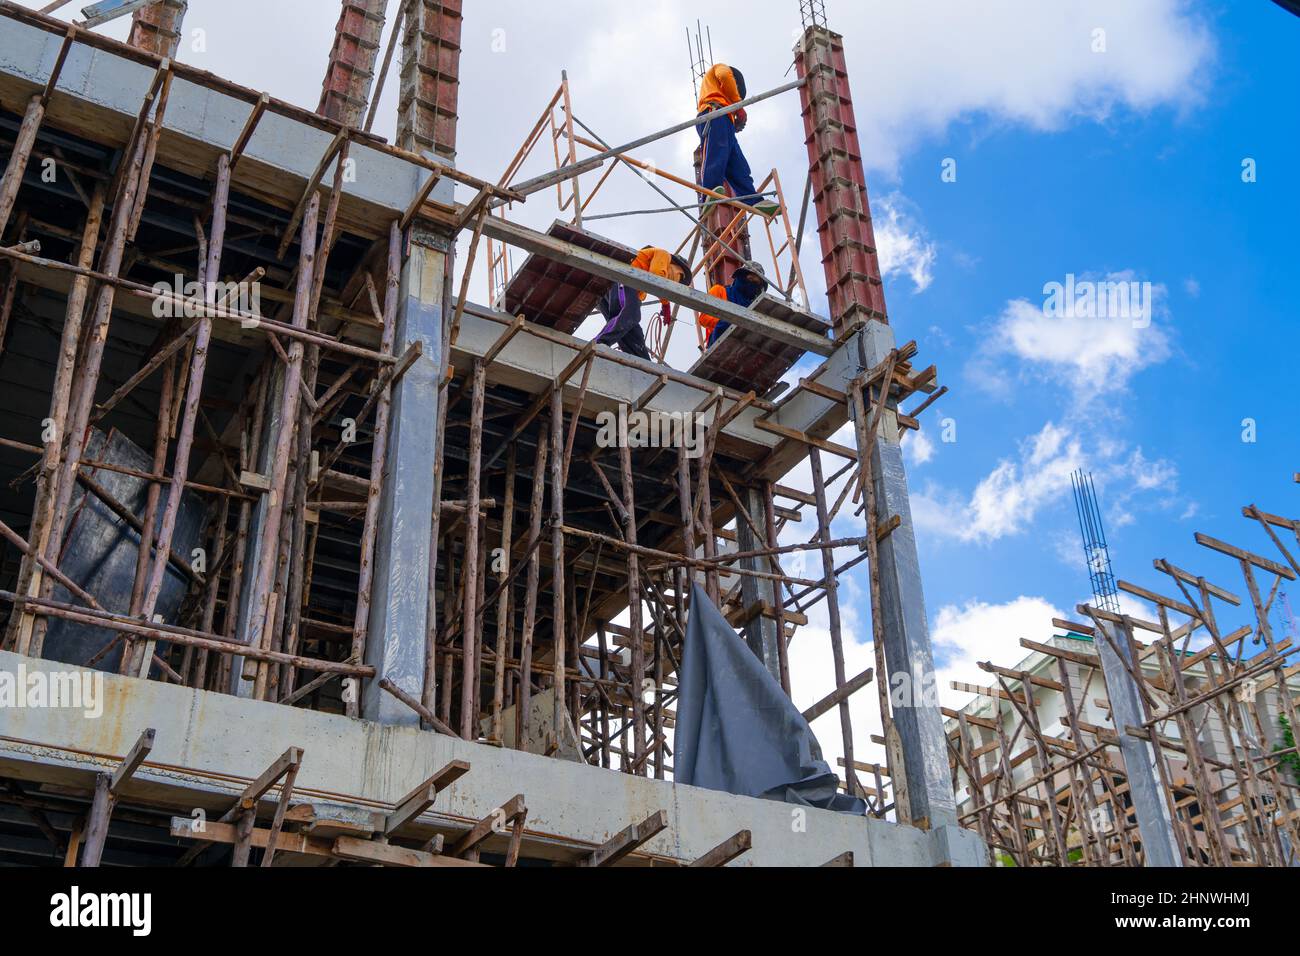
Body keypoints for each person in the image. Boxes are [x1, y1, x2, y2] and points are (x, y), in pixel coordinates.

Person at [696, 64, 780, 219]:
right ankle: (709, 190)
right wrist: (737, 105)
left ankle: (752, 199)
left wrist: (733, 117)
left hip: (723, 118)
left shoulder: (726, 104)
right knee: (716, 151)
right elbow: (725, 77)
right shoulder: (720, 68)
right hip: (713, 112)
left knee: (737, 164)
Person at [593, 246, 692, 362]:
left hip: (621, 286)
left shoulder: (644, 274)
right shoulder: (664, 254)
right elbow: (656, 275)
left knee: (634, 332)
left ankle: (643, 364)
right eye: (679, 277)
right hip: (625, 278)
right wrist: (665, 304)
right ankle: (600, 342)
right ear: (676, 266)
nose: (675, 282)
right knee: (631, 315)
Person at [698, 261, 769, 349]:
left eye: (756, 283)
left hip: (746, 345)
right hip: (718, 342)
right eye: (750, 279)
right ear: (741, 276)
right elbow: (704, 318)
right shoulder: (720, 291)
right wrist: (727, 322)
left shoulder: (754, 306)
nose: (752, 284)